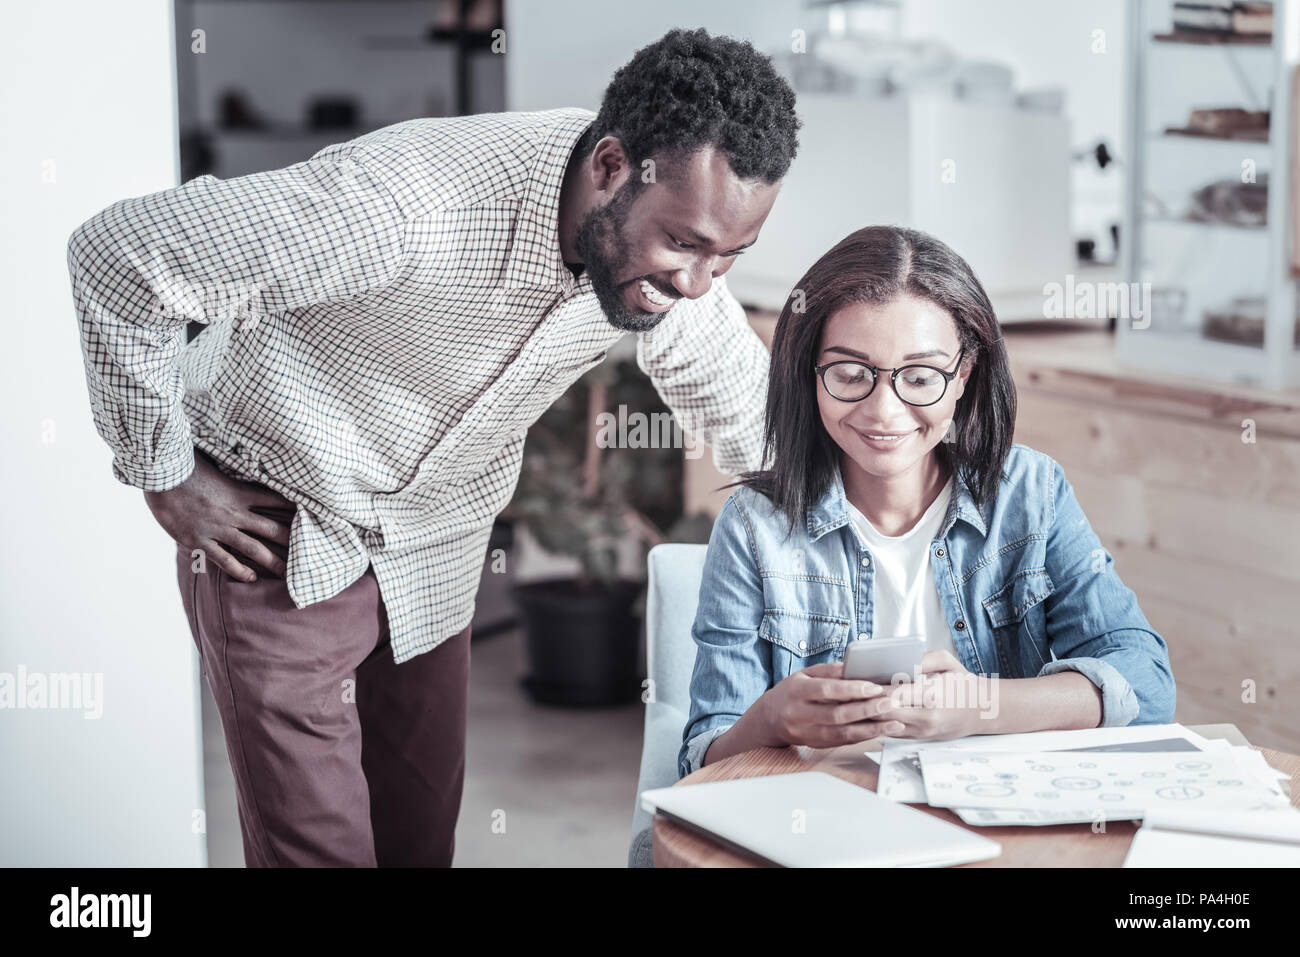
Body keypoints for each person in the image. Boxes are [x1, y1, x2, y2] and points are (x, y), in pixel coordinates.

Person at [66, 28, 800, 866]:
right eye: (684, 245)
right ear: (608, 168)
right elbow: (119, 255)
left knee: (418, 846)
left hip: (438, 551)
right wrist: (165, 473)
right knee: (322, 851)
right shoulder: (405, 203)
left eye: (728, 256)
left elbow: (747, 407)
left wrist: (876, 505)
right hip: (280, 532)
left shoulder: (666, 248)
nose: (699, 284)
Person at [679, 225, 1175, 778]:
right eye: (849, 374)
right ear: (810, 374)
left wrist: (980, 707)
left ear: (963, 375)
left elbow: (1147, 686)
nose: (883, 412)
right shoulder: (754, 528)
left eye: (919, 377)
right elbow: (704, 761)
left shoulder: (1031, 494)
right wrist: (771, 718)